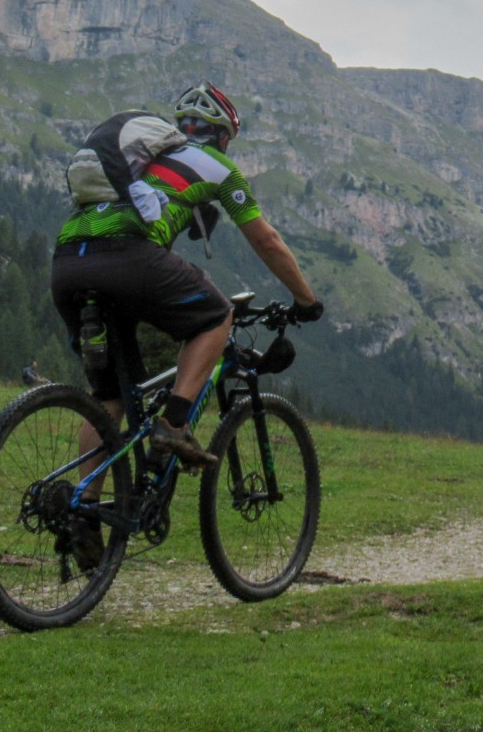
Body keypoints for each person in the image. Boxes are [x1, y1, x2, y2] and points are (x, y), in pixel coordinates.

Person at [50, 81, 322, 568]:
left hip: (68, 261)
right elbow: (267, 240)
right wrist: (306, 300)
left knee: (109, 397)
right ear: (222, 136)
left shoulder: (139, 165)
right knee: (217, 316)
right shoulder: (217, 166)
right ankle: (174, 426)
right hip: (125, 258)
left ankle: (85, 511)